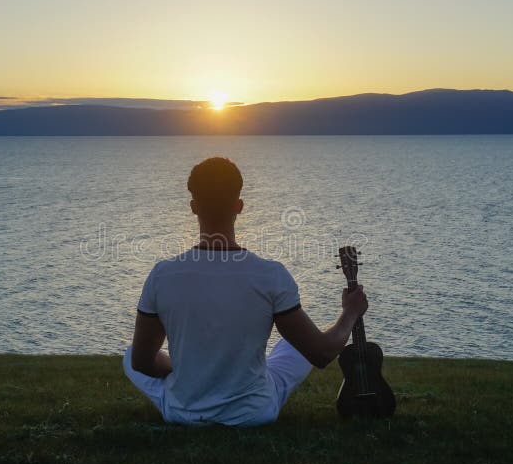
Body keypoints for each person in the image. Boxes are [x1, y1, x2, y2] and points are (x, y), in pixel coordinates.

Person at [123, 157, 368, 426]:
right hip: (253, 413)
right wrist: (350, 313)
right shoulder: (270, 274)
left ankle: (189, 384)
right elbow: (321, 354)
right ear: (239, 206)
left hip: (183, 411)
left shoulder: (162, 275)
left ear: (193, 207)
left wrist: (181, 370)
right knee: (294, 345)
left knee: (131, 353)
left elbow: (142, 363)